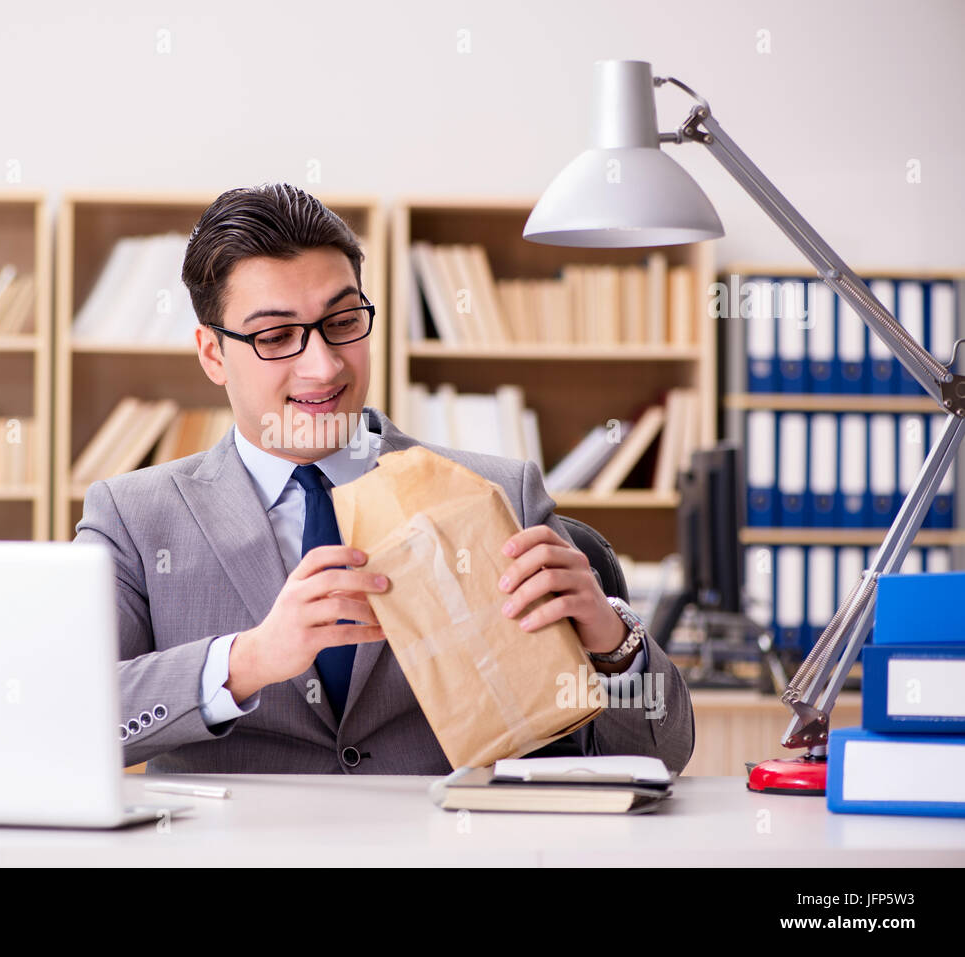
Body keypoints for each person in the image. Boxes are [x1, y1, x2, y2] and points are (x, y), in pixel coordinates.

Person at [75, 183, 694, 775]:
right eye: (277, 336)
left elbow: (661, 756)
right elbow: (68, 714)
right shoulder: (133, 517)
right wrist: (248, 661)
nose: (323, 366)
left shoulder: (502, 493)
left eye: (343, 322)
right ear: (213, 353)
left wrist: (614, 646)